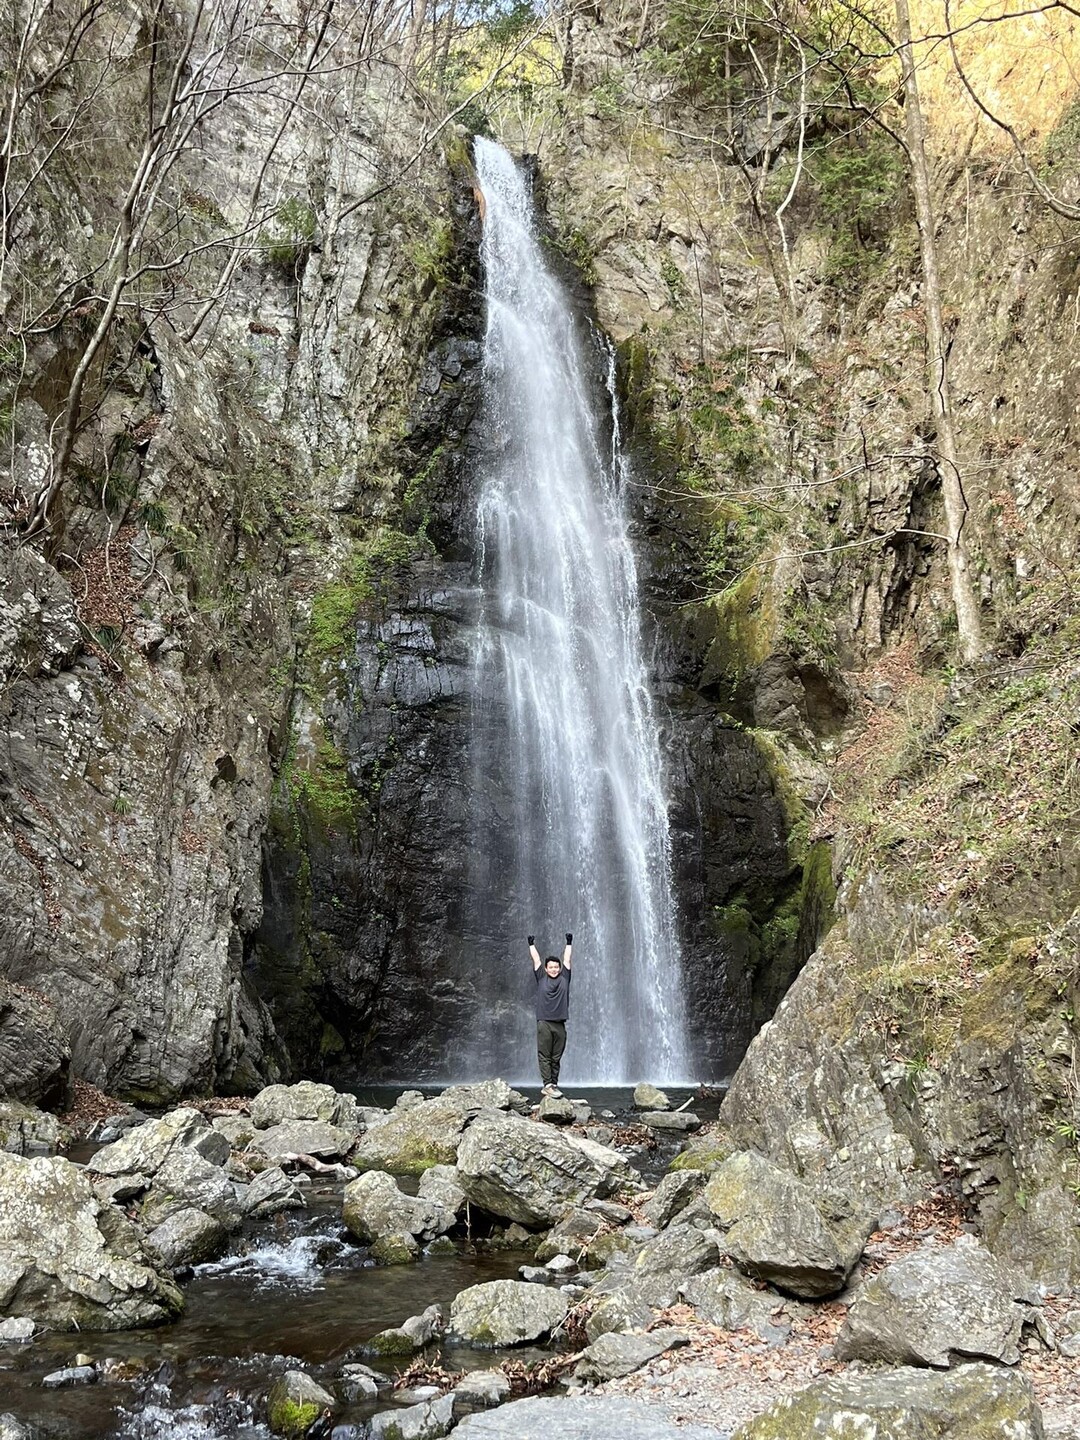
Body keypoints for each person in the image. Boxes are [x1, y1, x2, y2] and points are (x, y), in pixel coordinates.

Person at [528, 931, 572, 1094]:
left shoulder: (565, 978)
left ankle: (554, 1084)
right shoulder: (541, 978)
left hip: (560, 1023)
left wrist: (569, 943)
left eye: (556, 967)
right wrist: (531, 945)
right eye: (551, 967)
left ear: (559, 968)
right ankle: (547, 1085)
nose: (554, 969)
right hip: (544, 1022)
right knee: (545, 1055)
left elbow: (567, 959)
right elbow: (536, 960)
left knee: (556, 1057)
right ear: (546, 969)